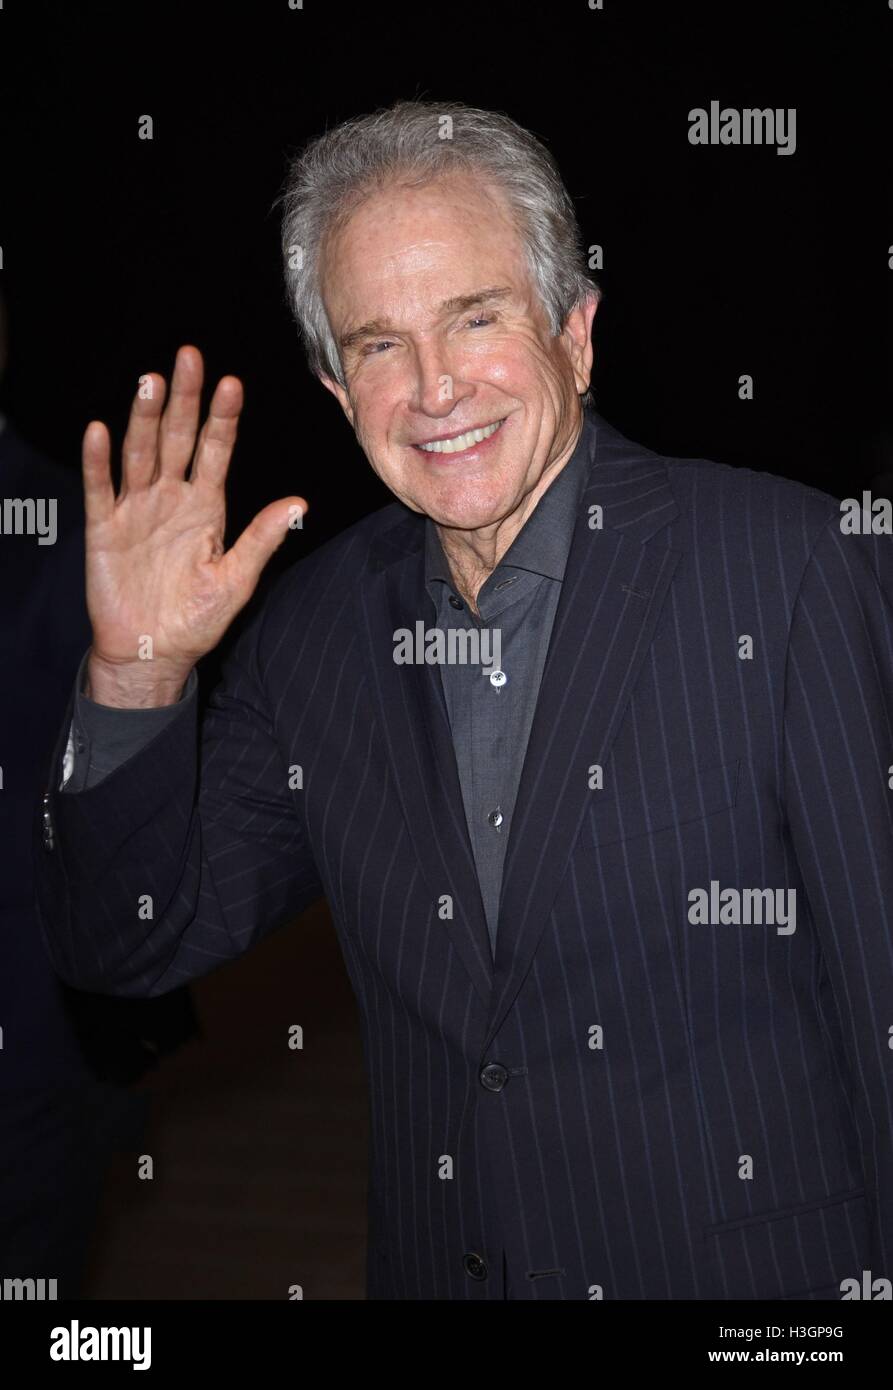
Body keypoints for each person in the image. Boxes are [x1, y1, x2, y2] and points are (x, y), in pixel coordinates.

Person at [34, 99, 893, 1300]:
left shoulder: (789, 568)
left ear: (574, 332)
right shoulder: (314, 633)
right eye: (379, 344)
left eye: (473, 317)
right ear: (336, 391)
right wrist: (136, 674)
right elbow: (129, 943)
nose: (433, 389)